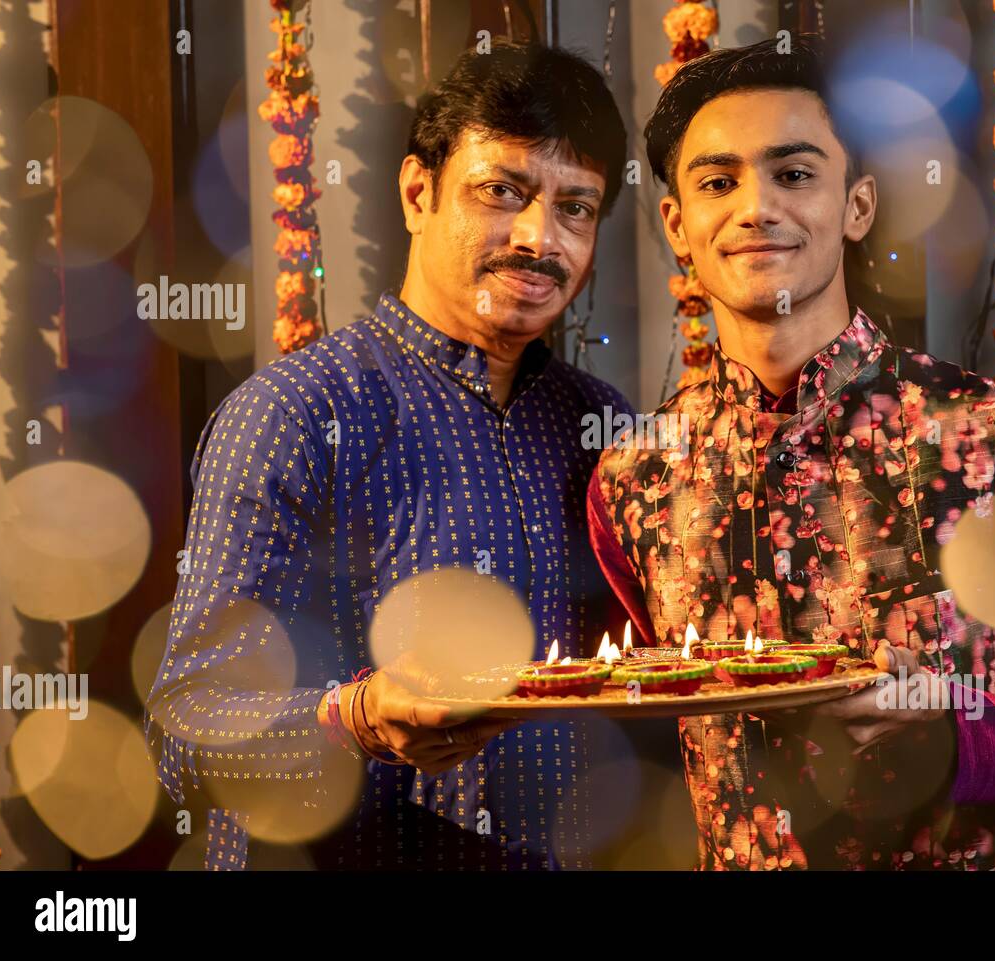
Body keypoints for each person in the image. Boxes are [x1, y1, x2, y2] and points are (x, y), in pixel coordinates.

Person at [587, 36, 995, 870]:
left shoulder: (987, 432)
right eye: (718, 181)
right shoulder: (632, 478)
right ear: (678, 223)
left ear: (857, 205)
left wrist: (949, 725)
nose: (755, 207)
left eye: (794, 173)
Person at [145, 41, 633, 870]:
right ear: (418, 192)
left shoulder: (601, 424)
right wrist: (358, 715)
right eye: (502, 191)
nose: (538, 237)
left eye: (575, 207)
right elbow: (185, 729)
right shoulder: (294, 414)